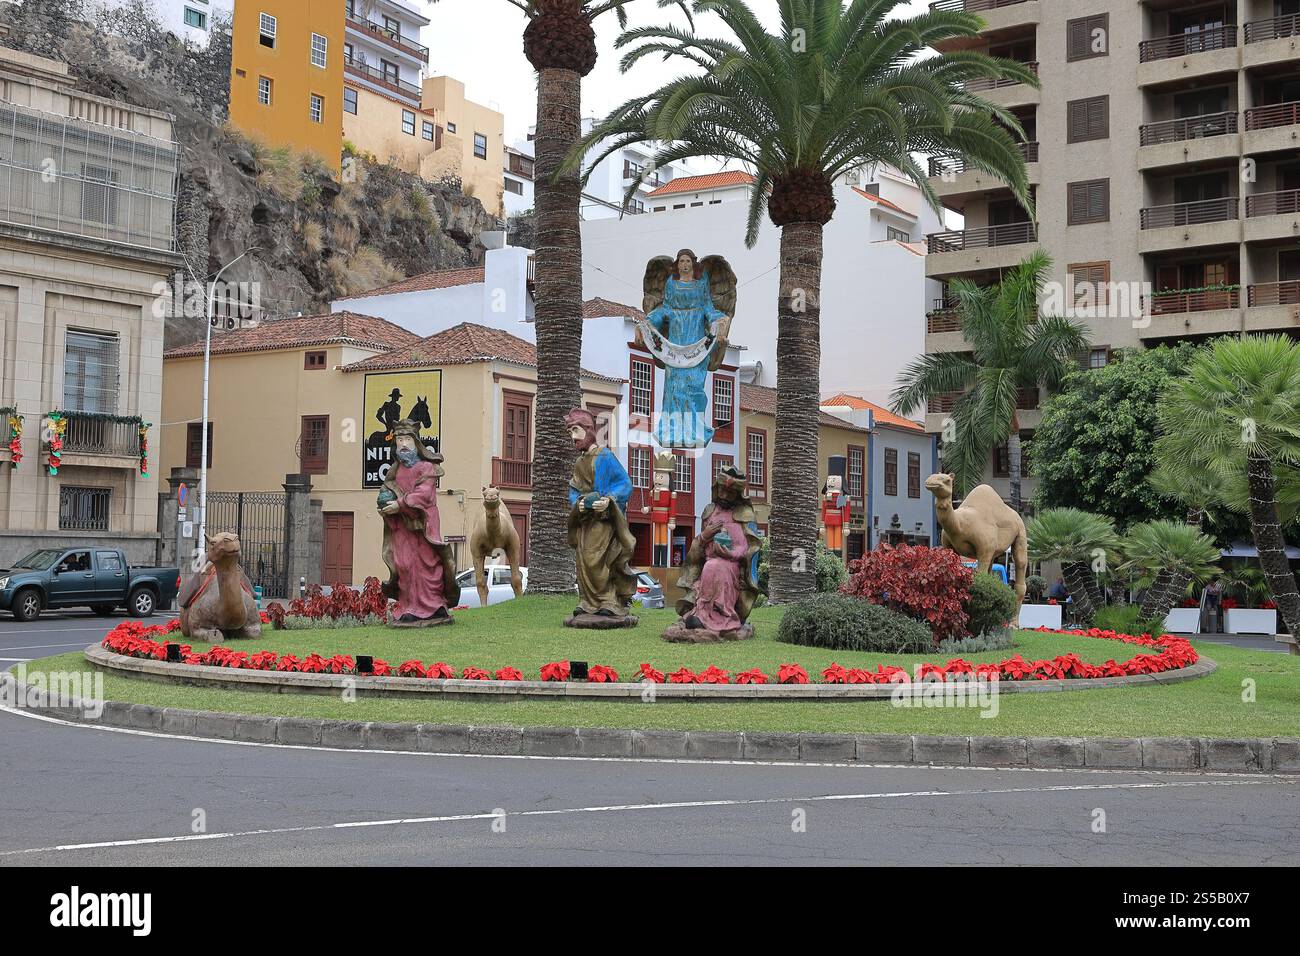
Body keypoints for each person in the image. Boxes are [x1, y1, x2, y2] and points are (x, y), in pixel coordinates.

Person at [643, 249, 731, 448]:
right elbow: (664, 309)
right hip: (675, 345)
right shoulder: (671, 284)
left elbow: (709, 309)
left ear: (693, 263)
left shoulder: (701, 283)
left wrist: (720, 321)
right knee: (674, 387)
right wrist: (648, 322)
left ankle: (695, 430)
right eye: (681, 261)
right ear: (677, 264)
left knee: (693, 387)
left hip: (697, 344)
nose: (684, 264)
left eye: (687, 261)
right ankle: (671, 429)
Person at [377, 419, 459, 625]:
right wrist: (386, 508)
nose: (403, 444)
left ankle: (434, 606)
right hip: (403, 527)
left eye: (407, 439)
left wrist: (400, 504)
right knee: (404, 564)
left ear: (416, 443)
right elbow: (387, 492)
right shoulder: (394, 472)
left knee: (427, 564)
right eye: (399, 440)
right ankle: (409, 606)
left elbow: (424, 495)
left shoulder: (427, 468)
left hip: (424, 525)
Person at [565, 408, 638, 619]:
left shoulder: (606, 457)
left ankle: (608, 601)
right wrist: (577, 503)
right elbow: (574, 490)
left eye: (576, 430)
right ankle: (588, 602)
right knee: (583, 558)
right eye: (570, 432)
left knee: (598, 558)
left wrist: (608, 500)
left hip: (604, 520)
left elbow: (624, 484)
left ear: (589, 431)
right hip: (586, 520)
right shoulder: (579, 463)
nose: (573, 437)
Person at [674, 465, 762, 637]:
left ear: (737, 495)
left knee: (715, 567)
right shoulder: (709, 511)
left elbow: (748, 548)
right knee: (710, 566)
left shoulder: (745, 514)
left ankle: (723, 615)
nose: (724, 496)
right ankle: (702, 613)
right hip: (709, 561)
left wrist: (731, 554)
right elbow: (698, 550)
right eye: (722, 491)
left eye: (729, 493)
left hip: (732, 566)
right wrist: (704, 537)